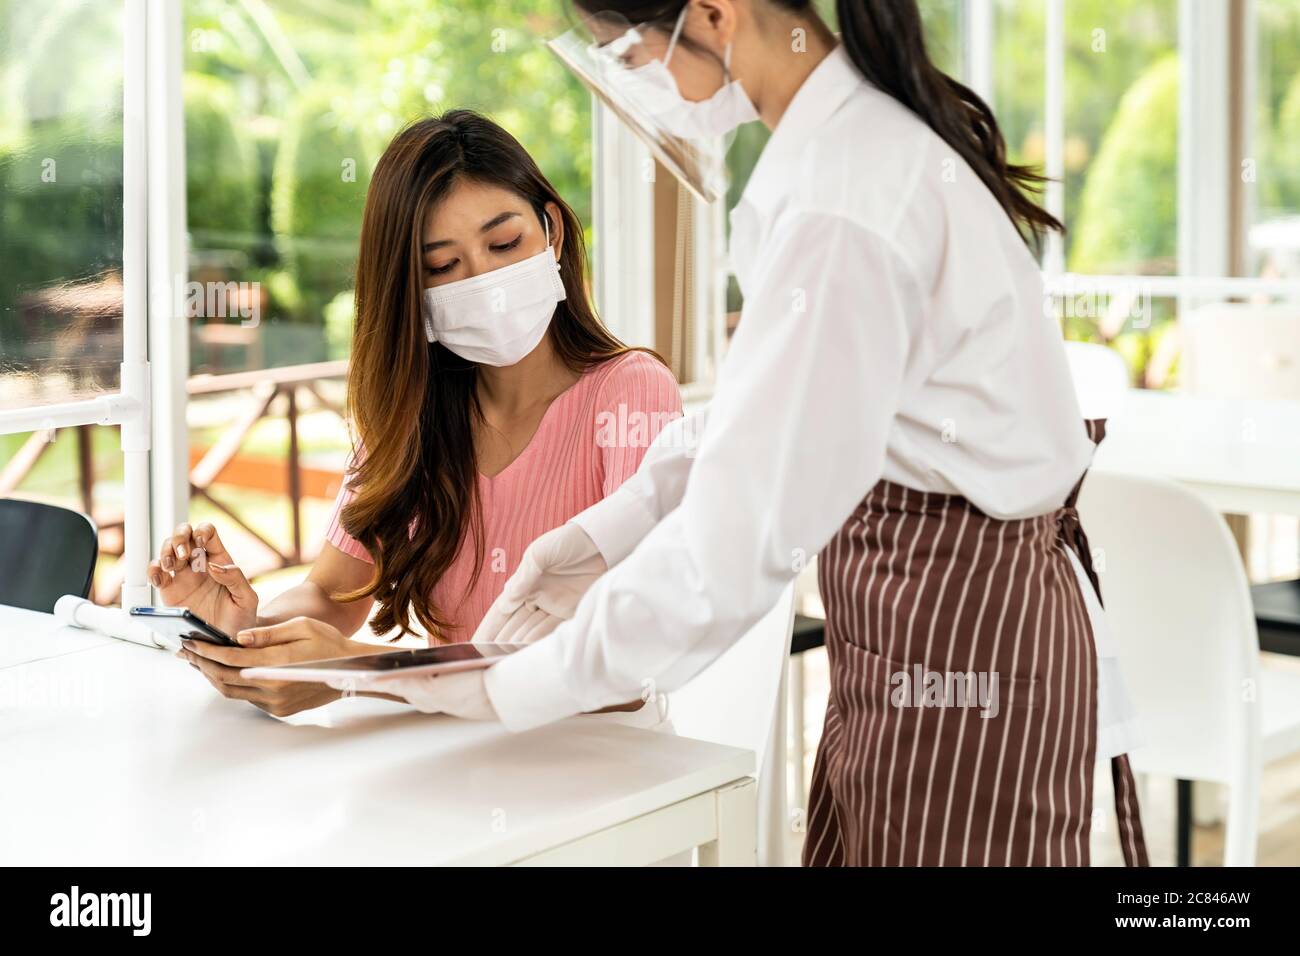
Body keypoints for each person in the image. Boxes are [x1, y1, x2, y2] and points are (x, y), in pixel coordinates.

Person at [373, 1, 1151, 868]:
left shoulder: (842, 203)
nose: (632, 84)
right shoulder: (843, 157)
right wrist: (604, 535)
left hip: (964, 641)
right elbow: (768, 411)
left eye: (623, 53)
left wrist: (514, 684)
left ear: (712, 13)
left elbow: (735, 541)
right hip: (925, 627)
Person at [149, 110, 681, 719]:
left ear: (552, 231)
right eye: (443, 266)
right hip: (453, 762)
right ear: (413, 291)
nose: (488, 281)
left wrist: (358, 672)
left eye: (505, 243)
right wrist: (247, 627)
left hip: (606, 772)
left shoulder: (630, 394)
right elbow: (330, 593)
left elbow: (623, 657)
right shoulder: (418, 418)